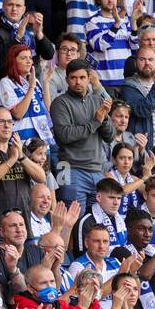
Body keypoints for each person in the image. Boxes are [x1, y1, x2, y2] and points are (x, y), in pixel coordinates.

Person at [49, 60, 118, 206]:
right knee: (70, 220)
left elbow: (110, 136)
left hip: (97, 169)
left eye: (82, 78)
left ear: (89, 79)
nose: (78, 82)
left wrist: (104, 119)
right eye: (73, 78)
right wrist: (95, 122)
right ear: (67, 80)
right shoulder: (59, 103)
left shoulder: (98, 100)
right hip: (67, 168)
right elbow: (64, 135)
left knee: (96, 222)